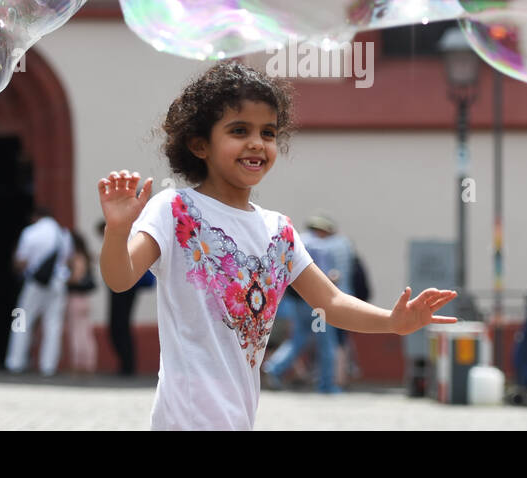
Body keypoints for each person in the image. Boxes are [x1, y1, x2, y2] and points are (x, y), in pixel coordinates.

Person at [98, 60, 458, 430]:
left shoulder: (278, 230)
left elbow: (330, 302)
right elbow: (120, 278)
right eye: (239, 130)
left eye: (268, 133)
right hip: (185, 420)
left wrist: (393, 322)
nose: (257, 143)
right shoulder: (176, 210)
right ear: (199, 144)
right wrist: (117, 231)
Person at [263, 213, 352, 393]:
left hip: (297, 303)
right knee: (326, 341)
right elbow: (321, 278)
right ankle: (327, 384)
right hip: (316, 305)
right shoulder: (321, 247)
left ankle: (274, 367)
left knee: (298, 339)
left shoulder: (298, 241)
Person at [4, 206, 71, 376]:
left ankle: (15, 361)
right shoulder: (63, 235)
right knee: (53, 323)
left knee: (21, 320)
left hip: (34, 283)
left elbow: (21, 262)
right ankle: (48, 366)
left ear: (36, 217)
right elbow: (67, 260)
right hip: (57, 282)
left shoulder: (30, 233)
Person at [100, 218, 152, 376]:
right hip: (127, 281)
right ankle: (126, 365)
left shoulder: (138, 224)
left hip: (128, 282)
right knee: (119, 325)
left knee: (119, 325)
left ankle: (127, 366)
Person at [64, 229, 98, 374]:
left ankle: (78, 364)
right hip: (85, 300)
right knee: (86, 332)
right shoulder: (86, 256)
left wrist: (64, 280)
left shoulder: (76, 257)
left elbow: (76, 277)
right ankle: (89, 363)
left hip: (76, 299)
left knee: (76, 333)